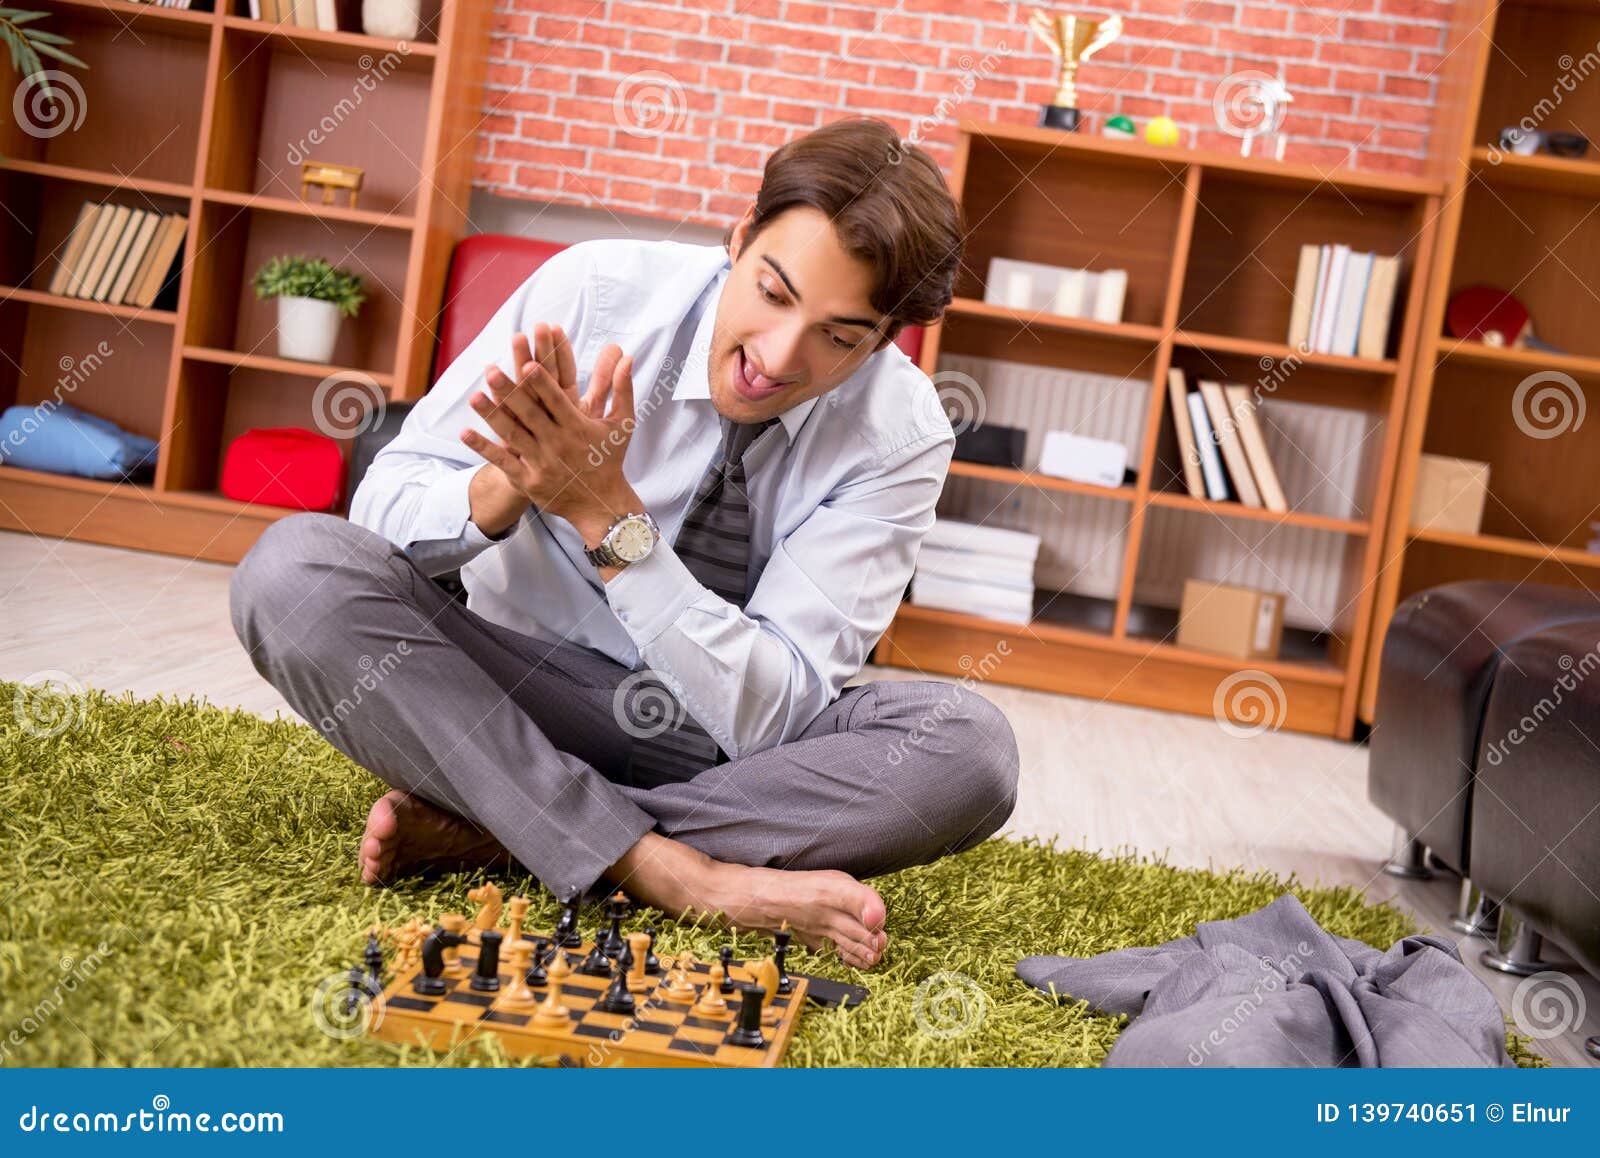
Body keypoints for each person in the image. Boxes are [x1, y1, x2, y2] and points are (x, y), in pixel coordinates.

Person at [229, 116, 1019, 970]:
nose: (777, 358)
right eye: (773, 292)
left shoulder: (902, 433)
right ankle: (679, 872)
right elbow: (379, 514)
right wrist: (508, 486)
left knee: (968, 750)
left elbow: (772, 711)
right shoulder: (596, 292)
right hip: (525, 693)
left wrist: (610, 523)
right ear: (740, 237)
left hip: (730, 753)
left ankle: (504, 832)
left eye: (840, 335)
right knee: (293, 576)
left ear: (885, 340)